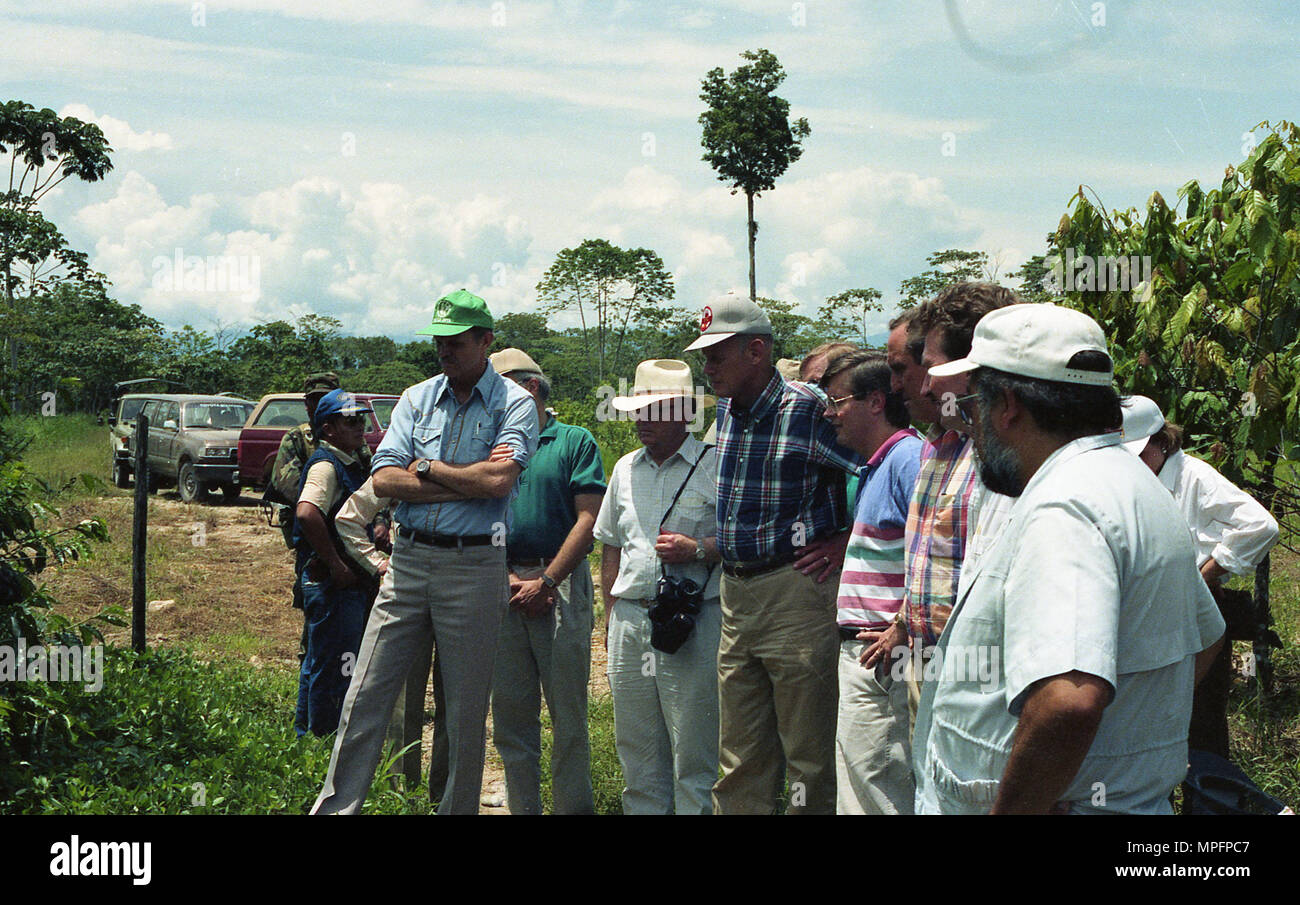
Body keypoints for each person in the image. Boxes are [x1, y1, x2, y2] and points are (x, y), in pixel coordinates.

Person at [913, 303, 1225, 814]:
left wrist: (1029, 799)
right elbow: (1206, 639)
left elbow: (1069, 700)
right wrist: (1118, 749)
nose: (973, 428)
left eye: (973, 407)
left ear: (1008, 405)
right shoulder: (1129, 485)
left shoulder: (1066, 504)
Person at [311, 289, 538, 815]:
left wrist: (428, 468)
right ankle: (336, 809)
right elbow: (385, 478)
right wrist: (467, 480)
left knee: (462, 711)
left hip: (476, 564)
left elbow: (501, 480)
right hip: (408, 562)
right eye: (438, 341)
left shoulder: (516, 403)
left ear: (485, 340)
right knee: (365, 694)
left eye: (455, 342)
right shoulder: (416, 398)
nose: (444, 351)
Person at [685, 294, 865, 815]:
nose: (708, 366)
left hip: (795, 593)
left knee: (808, 751)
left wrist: (845, 537)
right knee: (739, 753)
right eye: (705, 356)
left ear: (757, 350)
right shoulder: (727, 410)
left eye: (718, 354)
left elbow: (889, 463)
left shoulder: (806, 410)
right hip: (737, 594)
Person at [861, 283, 1017, 728]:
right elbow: (932, 561)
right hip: (929, 664)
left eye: (927, 369)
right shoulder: (937, 445)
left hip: (983, 681)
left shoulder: (1005, 461)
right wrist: (905, 623)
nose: (922, 385)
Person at [593, 359, 721, 815]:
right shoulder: (625, 469)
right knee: (637, 747)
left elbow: (741, 539)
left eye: (654, 410)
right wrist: (611, 617)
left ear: (686, 412)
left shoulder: (715, 466)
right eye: (638, 410)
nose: (642, 421)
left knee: (694, 745)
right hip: (630, 618)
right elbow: (610, 546)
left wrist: (699, 548)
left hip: (693, 622)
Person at [1120, 395, 1279, 761]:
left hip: (1195, 612)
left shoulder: (1194, 477)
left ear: (1162, 441)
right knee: (1152, 718)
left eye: (1140, 454)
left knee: (1202, 721)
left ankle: (1209, 799)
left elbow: (1260, 526)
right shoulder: (1137, 481)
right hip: (1151, 613)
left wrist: (1203, 576)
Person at [483, 347, 607, 815]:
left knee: (568, 718)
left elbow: (588, 520)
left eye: (500, 387)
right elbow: (481, 516)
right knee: (512, 719)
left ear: (530, 387)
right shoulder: (494, 446)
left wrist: (548, 580)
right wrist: (510, 576)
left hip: (563, 585)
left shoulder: (574, 441)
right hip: (504, 584)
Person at [819, 350, 923, 814]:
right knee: (862, 778)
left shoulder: (907, 459)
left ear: (875, 401)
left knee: (876, 783)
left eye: (837, 401)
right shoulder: (877, 464)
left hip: (881, 652)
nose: (829, 412)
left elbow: (932, 556)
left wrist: (900, 624)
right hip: (867, 649)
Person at [292, 390, 377, 736]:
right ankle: (323, 738)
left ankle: (307, 734)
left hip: (336, 580)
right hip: (332, 581)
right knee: (336, 665)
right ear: (328, 429)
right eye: (350, 421)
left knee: (319, 661)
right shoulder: (328, 465)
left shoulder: (349, 461)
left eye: (362, 419)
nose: (360, 427)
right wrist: (337, 564)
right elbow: (306, 513)